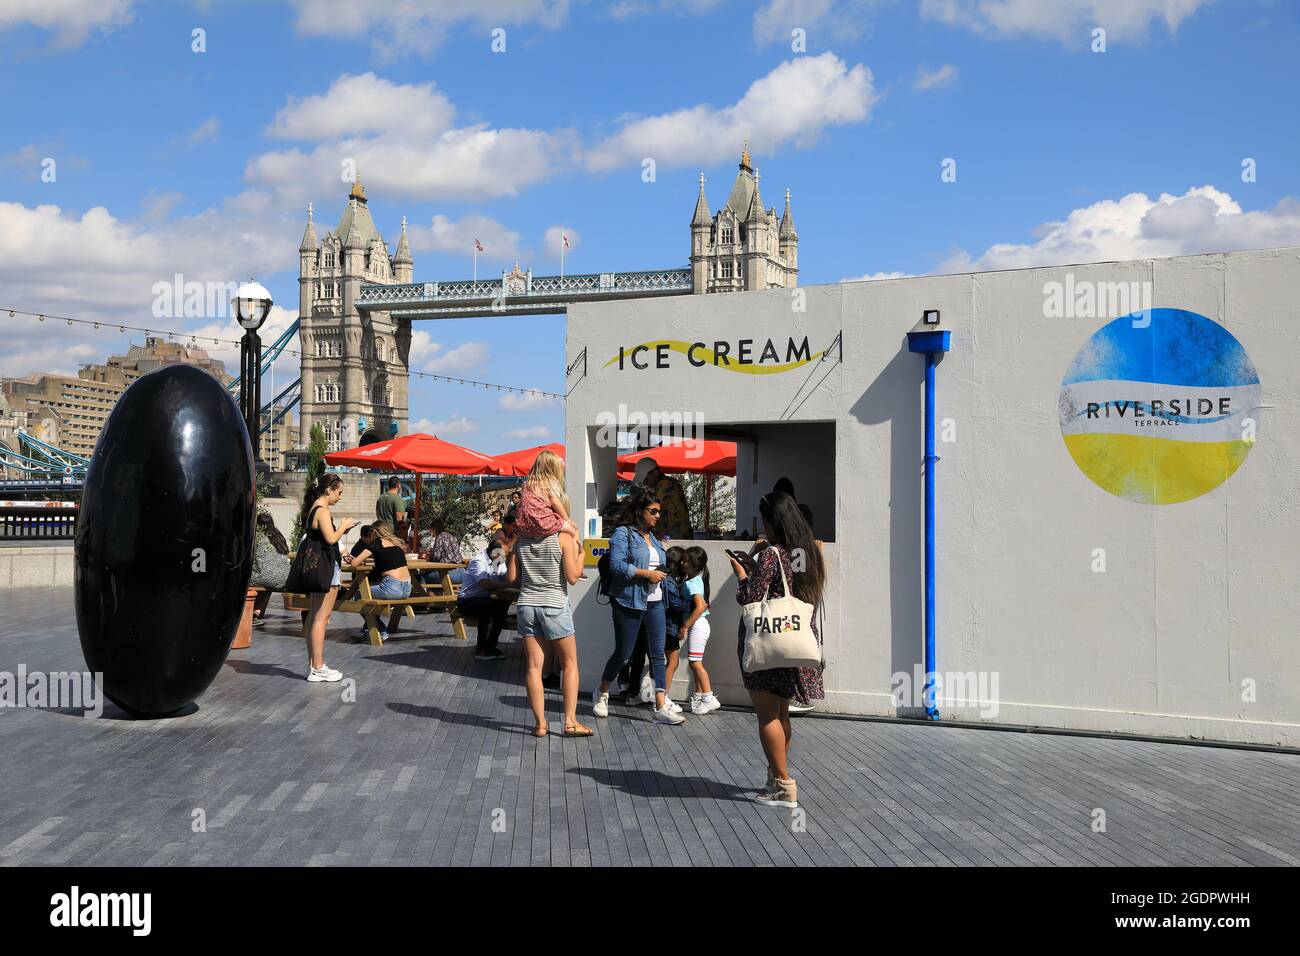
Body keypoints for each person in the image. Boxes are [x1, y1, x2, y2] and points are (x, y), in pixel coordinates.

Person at [729, 490, 826, 808]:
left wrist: (742, 574)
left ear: (773, 521)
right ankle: (775, 775)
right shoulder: (807, 552)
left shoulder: (772, 555)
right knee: (782, 714)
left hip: (768, 642)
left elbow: (750, 597)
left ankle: (784, 785)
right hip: (792, 641)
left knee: (767, 716)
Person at [593, 486, 685, 725]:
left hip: (655, 603)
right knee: (623, 654)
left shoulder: (654, 538)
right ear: (639, 510)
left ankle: (661, 706)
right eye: (652, 511)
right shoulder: (623, 534)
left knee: (658, 655)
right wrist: (646, 574)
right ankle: (602, 691)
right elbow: (616, 565)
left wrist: (659, 574)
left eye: (659, 512)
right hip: (628, 601)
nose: (657, 515)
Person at [505, 490, 591, 738]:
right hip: (554, 604)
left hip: (527, 605)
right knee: (570, 664)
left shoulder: (522, 540)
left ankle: (540, 724)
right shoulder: (563, 538)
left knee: (533, 667)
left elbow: (511, 578)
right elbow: (573, 577)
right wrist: (581, 553)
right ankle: (570, 721)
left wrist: (513, 551)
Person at [300, 474, 357, 682]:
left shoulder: (313, 508)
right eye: (339, 492)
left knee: (315, 617)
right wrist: (343, 527)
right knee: (321, 619)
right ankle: (318, 667)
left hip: (317, 568)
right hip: (326, 569)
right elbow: (331, 538)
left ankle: (313, 664)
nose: (339, 497)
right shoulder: (323, 511)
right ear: (328, 490)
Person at [345, 522, 412, 640]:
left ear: (375, 532)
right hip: (407, 589)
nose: (369, 535)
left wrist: (351, 559)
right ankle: (368, 629)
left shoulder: (377, 543)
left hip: (392, 588)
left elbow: (355, 563)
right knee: (370, 591)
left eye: (370, 532)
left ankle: (380, 631)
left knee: (360, 596)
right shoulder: (396, 544)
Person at [458, 530, 515, 661]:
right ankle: (482, 648)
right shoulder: (478, 561)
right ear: (495, 554)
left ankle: (490, 645)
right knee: (486, 608)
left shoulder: (497, 561)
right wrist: (509, 584)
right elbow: (485, 584)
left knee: (502, 605)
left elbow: (505, 578)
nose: (505, 558)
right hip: (467, 600)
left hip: (484, 598)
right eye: (504, 555)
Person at [681, 546, 720, 715]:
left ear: (693, 563)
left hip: (698, 625)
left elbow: (699, 607)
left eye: (685, 560)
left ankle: (708, 697)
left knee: (696, 663)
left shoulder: (692, 583)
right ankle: (699, 696)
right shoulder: (695, 579)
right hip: (699, 625)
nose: (682, 563)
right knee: (694, 661)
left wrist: (685, 625)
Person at [513, 449, 579, 539]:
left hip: (524, 525)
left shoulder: (527, 484)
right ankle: (578, 552)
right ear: (553, 468)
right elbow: (555, 502)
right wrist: (567, 519)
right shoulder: (550, 482)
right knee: (574, 530)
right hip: (542, 523)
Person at [635, 457, 693, 540]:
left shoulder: (666, 484)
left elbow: (651, 505)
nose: (644, 483)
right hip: (672, 535)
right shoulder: (663, 484)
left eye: (646, 479)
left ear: (655, 473)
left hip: (676, 536)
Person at [250, 511, 291, 625]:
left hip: (265, 577)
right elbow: (286, 552)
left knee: (253, 580)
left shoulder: (256, 537)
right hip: (282, 578)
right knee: (268, 583)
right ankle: (257, 611)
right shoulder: (278, 536)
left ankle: (249, 612)